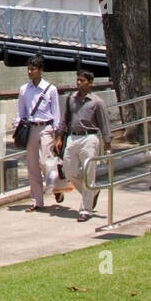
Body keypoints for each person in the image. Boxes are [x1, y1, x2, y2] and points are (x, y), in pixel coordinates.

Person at [57, 70, 112, 222]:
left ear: (90, 83)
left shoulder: (97, 102)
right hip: (72, 137)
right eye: (78, 80)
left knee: (89, 173)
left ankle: (85, 210)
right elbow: (64, 119)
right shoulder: (71, 99)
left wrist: (108, 146)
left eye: (82, 80)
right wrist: (59, 137)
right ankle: (92, 192)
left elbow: (105, 125)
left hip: (89, 138)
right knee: (69, 171)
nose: (78, 83)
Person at [15, 55, 61, 212]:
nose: (30, 72)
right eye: (28, 69)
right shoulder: (24, 89)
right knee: (33, 166)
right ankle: (37, 201)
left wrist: (57, 134)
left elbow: (56, 113)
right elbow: (20, 111)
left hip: (46, 128)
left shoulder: (51, 89)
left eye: (33, 69)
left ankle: (56, 187)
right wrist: (18, 126)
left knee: (46, 161)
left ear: (40, 70)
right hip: (30, 129)